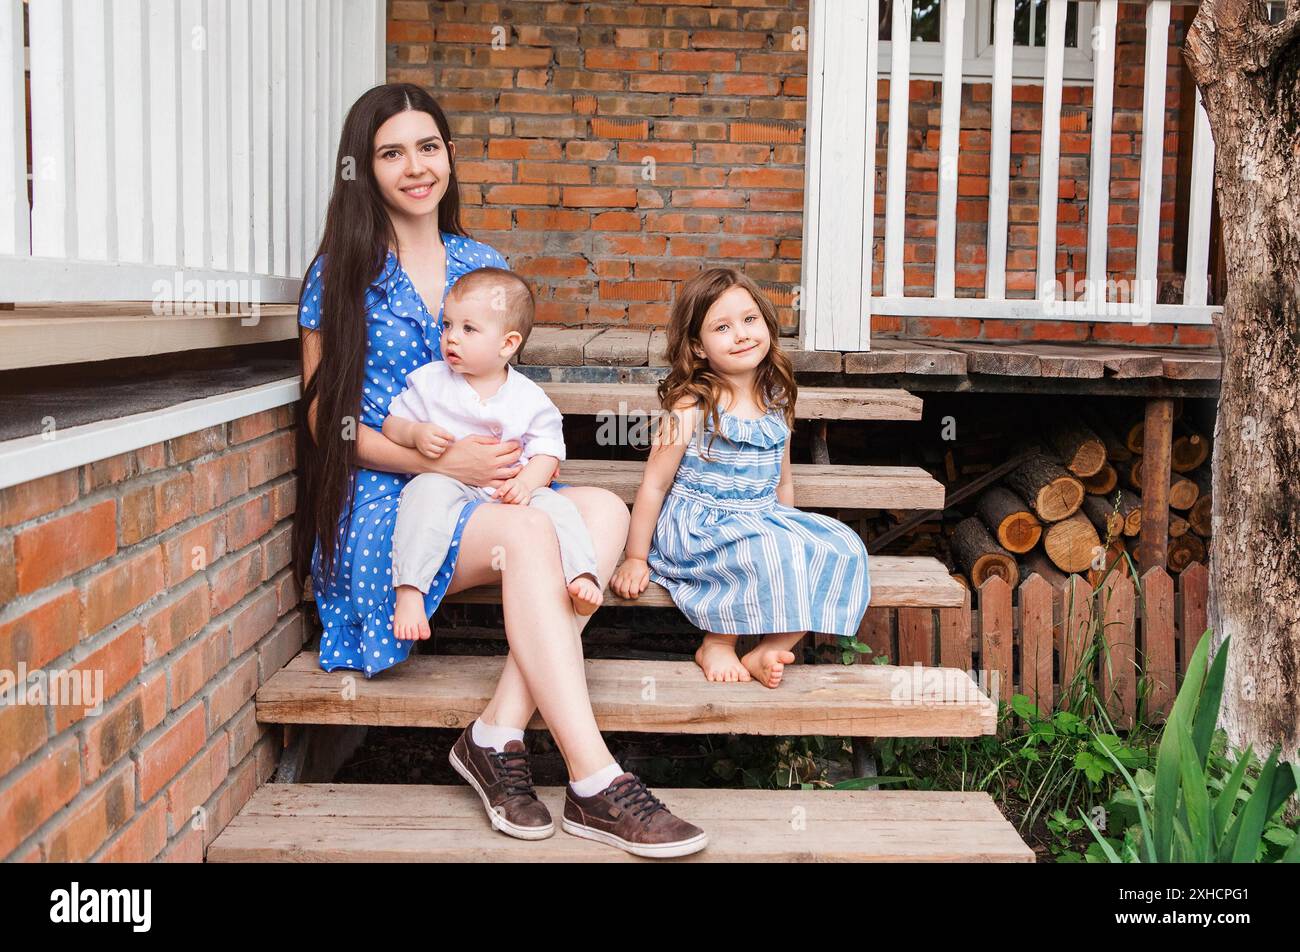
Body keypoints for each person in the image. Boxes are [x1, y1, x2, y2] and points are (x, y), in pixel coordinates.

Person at [294, 83, 705, 857]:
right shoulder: (340, 272)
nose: (415, 167)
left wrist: (512, 465)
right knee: (528, 535)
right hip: (389, 502)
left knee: (606, 516)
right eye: (391, 153)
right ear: (364, 168)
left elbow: (507, 401)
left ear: (448, 155)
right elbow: (328, 422)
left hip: (484, 494)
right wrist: (435, 454)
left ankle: (496, 732)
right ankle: (594, 780)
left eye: (428, 147)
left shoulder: (481, 265)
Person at [611, 268, 872, 689]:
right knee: (764, 548)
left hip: (760, 517)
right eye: (722, 327)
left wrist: (789, 529)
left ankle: (770, 646)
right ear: (697, 346)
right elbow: (654, 485)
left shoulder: (778, 397)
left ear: (767, 324)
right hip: (700, 528)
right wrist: (636, 557)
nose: (742, 334)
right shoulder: (691, 405)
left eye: (750, 320)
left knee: (844, 547)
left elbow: (782, 480)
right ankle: (716, 642)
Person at [382, 267, 603, 641]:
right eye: (447, 325)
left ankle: (580, 575)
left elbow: (549, 451)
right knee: (424, 492)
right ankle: (409, 590)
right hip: (451, 485)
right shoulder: (430, 381)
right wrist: (416, 433)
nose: (451, 337)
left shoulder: (528, 396)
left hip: (507, 490)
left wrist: (527, 481)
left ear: (507, 344)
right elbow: (391, 425)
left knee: (560, 509)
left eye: (469, 329)